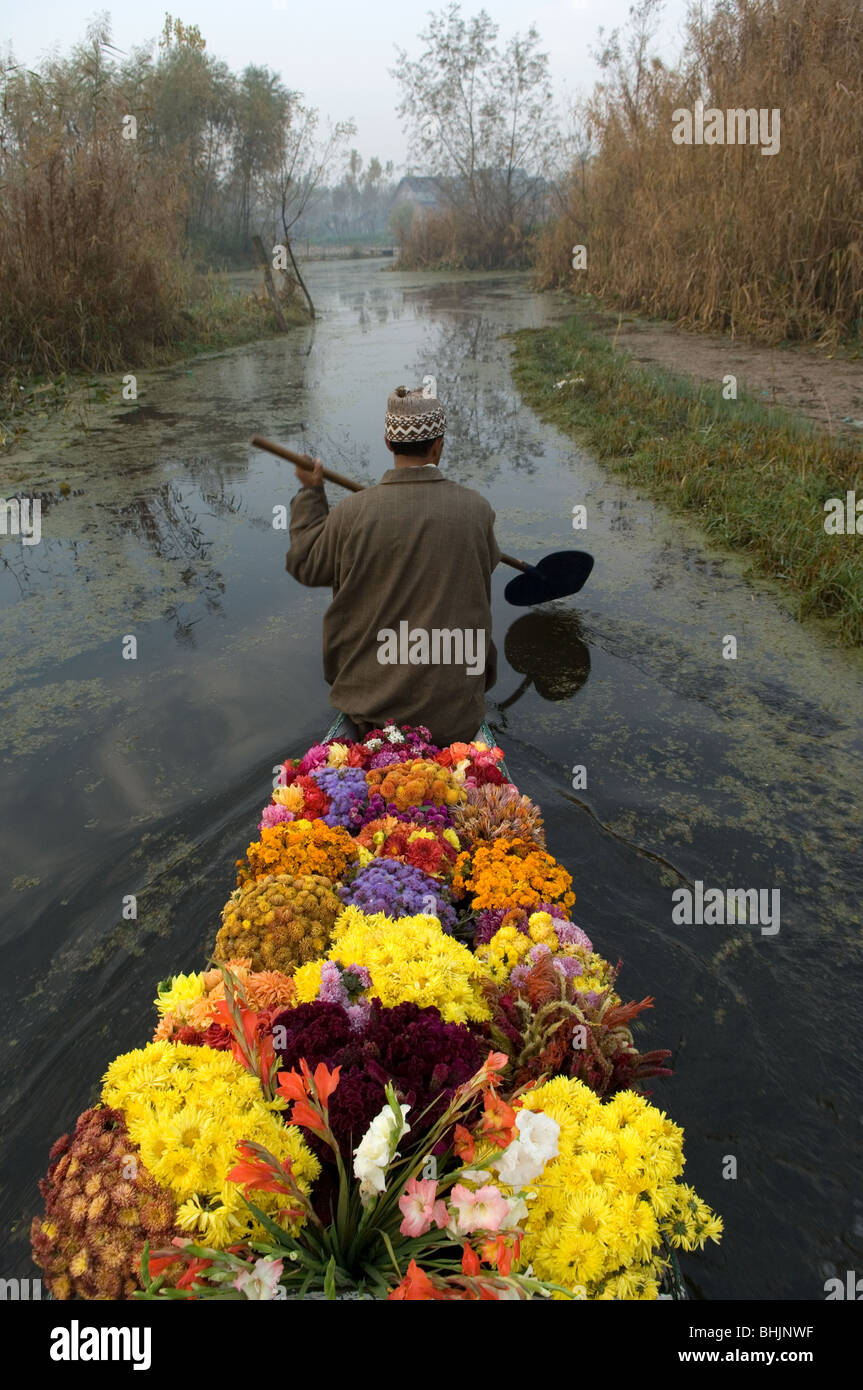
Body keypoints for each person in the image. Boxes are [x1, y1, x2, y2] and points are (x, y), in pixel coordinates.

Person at [285, 383, 501, 745]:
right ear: (438, 444)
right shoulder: (477, 511)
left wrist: (311, 492)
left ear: (388, 443)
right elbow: (484, 566)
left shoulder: (352, 513)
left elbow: (306, 563)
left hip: (372, 712)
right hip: (455, 716)